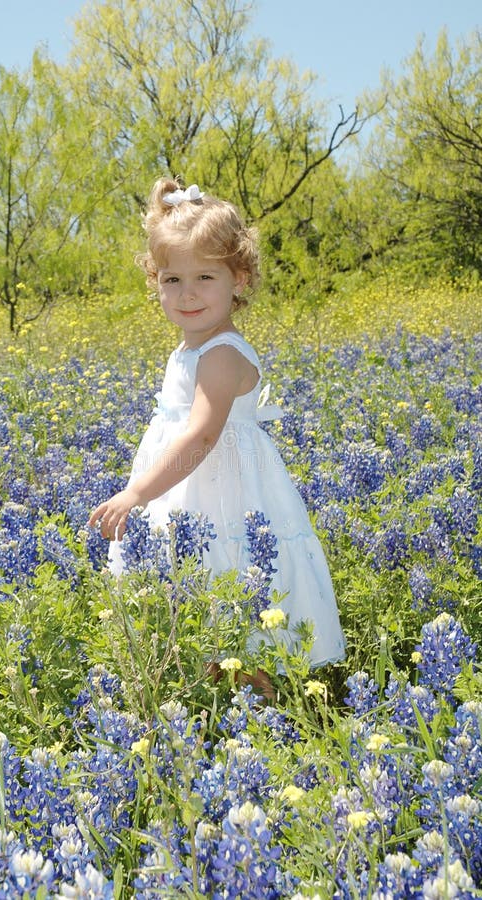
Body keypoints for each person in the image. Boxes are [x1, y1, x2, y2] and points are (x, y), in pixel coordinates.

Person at [89, 177, 345, 674]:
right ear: (155, 282)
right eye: (172, 279)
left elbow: (203, 435)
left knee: (238, 590)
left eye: (205, 278)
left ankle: (262, 718)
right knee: (198, 596)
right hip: (186, 495)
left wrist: (136, 493)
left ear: (240, 279)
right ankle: (206, 710)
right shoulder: (192, 347)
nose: (187, 294)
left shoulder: (222, 354)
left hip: (227, 496)